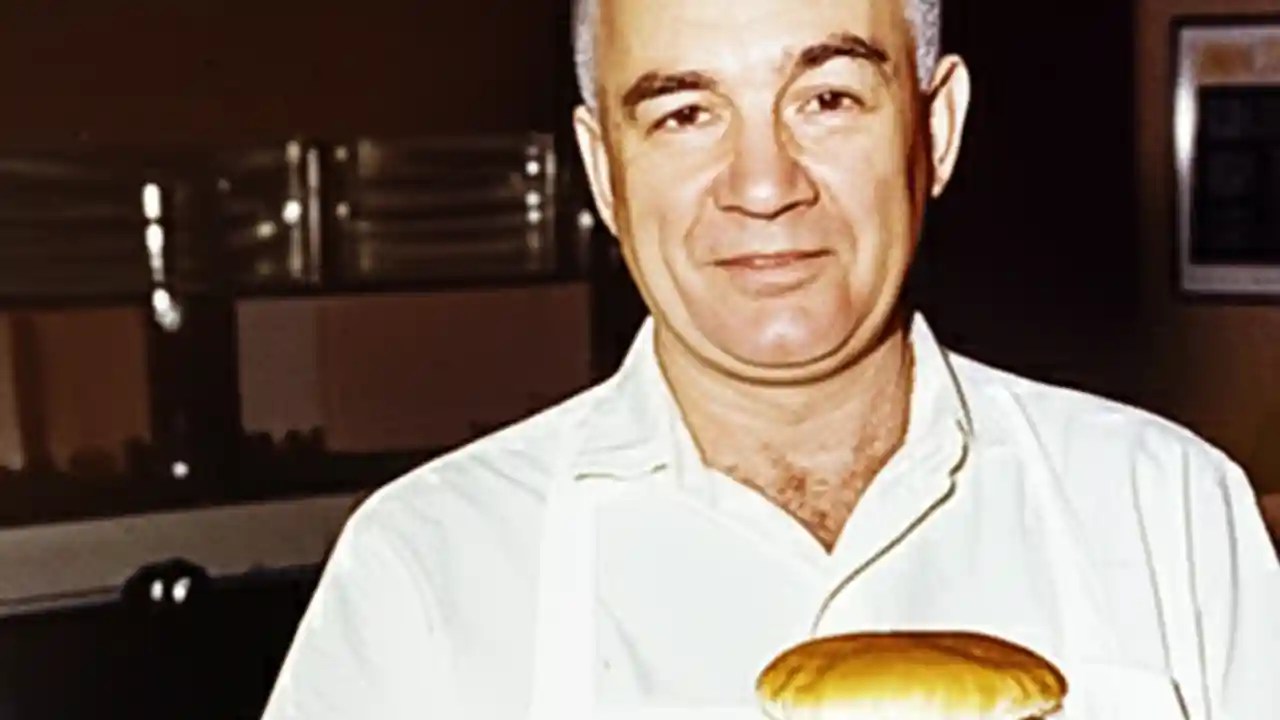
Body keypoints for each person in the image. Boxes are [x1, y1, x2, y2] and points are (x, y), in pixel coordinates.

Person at [260, 0, 1280, 717]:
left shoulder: (1165, 508)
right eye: (683, 113)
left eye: (826, 98)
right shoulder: (427, 566)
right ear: (603, 172)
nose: (760, 184)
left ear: (935, 127)